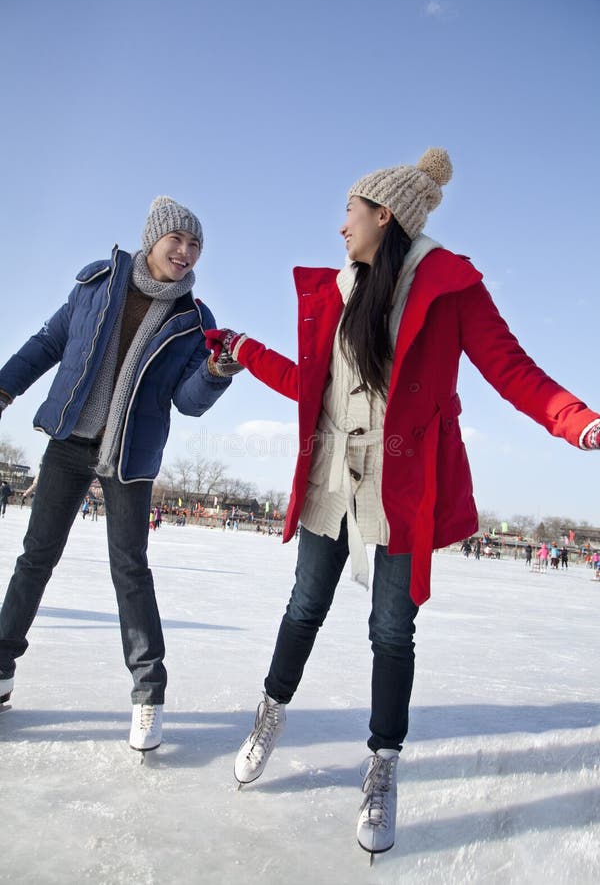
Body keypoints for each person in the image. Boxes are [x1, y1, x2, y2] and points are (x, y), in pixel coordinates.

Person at [205, 147, 600, 858]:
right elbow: (311, 386)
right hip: (332, 474)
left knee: (392, 630)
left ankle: (382, 764)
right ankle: (270, 710)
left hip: (402, 484)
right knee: (304, 607)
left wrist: (577, 419)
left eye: (348, 213)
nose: (340, 228)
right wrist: (242, 347)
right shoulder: (337, 291)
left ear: (383, 216)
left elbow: (512, 369)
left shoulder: (450, 288)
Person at [0, 196, 241, 752]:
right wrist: (5, 387)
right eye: (176, 240)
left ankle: (148, 695)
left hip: (130, 454)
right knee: (36, 557)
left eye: (195, 245)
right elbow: (48, 343)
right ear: (152, 238)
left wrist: (214, 370)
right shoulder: (98, 283)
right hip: (70, 439)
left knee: (130, 568)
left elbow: (189, 402)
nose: (185, 252)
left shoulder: (194, 320)